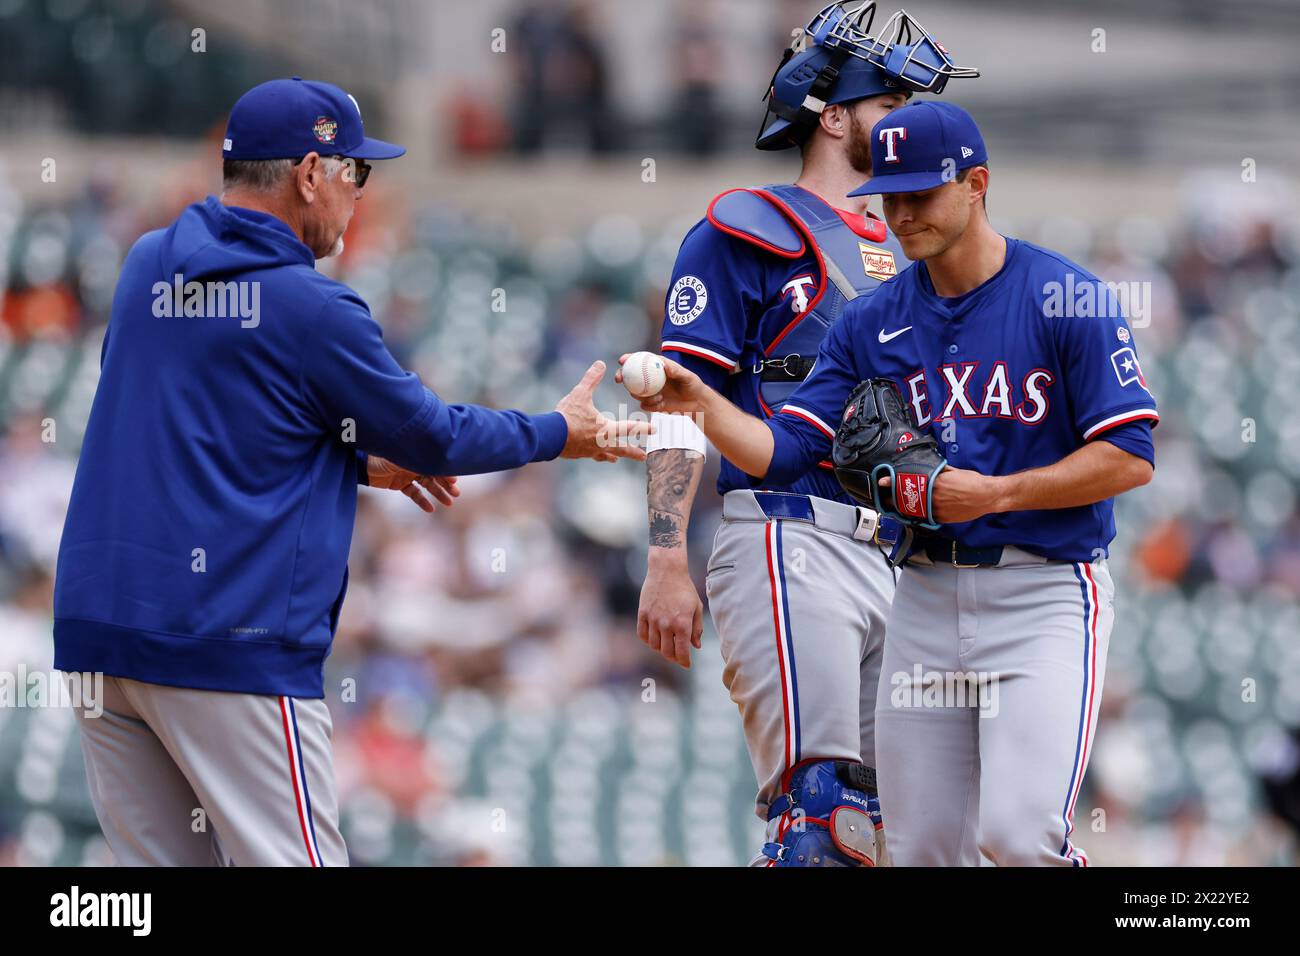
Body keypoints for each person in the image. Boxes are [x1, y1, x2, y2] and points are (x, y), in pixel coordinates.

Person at [53, 77, 648, 867]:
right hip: (227, 641)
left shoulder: (146, 264)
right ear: (308, 173)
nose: (359, 194)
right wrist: (557, 432)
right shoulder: (313, 309)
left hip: (102, 641)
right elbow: (435, 435)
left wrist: (358, 461)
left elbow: (200, 415)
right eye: (353, 173)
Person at [628, 100, 1158, 866]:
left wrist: (996, 493)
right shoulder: (870, 321)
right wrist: (704, 405)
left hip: (1043, 596)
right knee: (915, 852)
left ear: (976, 184)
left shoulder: (1065, 296)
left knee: (1016, 839)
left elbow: (1130, 455)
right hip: (922, 599)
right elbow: (784, 450)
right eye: (889, 195)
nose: (901, 214)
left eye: (921, 194)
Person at [634, 2, 977, 866]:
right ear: (833, 116)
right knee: (825, 821)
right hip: (790, 536)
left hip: (899, 561)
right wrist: (667, 557)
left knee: (901, 834)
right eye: (890, 103)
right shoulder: (744, 227)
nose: (908, 123)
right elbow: (682, 398)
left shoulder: (914, 248)